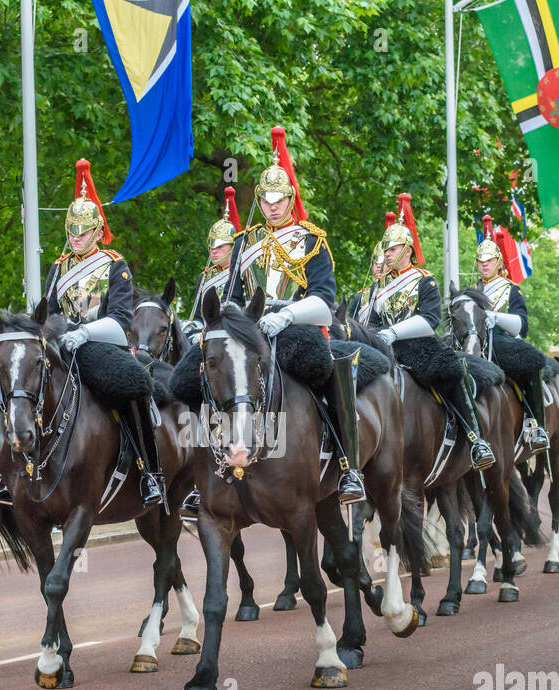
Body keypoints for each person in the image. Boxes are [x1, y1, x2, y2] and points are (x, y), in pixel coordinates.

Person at [0, 159, 164, 509]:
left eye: (83, 231)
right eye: (72, 230)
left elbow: (120, 321)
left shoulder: (115, 265)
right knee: (10, 382)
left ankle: (149, 472)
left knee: (132, 388)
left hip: (100, 346)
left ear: (99, 231)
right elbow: (50, 312)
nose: (76, 237)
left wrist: (83, 333)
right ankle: (9, 467)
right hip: (60, 346)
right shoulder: (58, 268)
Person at [226, 126, 364, 505]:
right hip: (250, 330)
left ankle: (347, 464)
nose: (272, 206)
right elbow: (231, 297)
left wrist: (286, 316)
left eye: (279, 199)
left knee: (329, 370)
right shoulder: (244, 243)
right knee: (205, 369)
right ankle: (200, 468)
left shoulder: (312, 239)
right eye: (266, 200)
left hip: (297, 329)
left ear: (290, 199)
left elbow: (324, 301)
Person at [367, 193, 494, 470]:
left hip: (418, 345)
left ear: (407, 250)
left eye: (392, 249)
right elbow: (373, 324)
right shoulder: (379, 289)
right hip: (383, 346)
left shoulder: (425, 281)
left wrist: (393, 333)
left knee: (452, 368)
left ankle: (476, 439)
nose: (386, 254)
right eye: (385, 249)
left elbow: (429, 320)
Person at [474, 215, 549, 452]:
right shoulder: (473, 290)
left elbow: (522, 325)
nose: (485, 265)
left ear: (498, 262)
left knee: (531, 364)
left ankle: (536, 424)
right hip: (474, 343)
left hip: (503, 343)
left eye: (490, 260)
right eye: (481, 261)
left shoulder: (510, 289)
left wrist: (496, 318)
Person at [181, 187, 241, 345]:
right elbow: (198, 317)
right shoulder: (205, 277)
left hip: (233, 336)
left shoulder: (241, 274)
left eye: (220, 246)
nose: (214, 251)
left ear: (232, 246)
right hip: (205, 338)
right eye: (212, 247)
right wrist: (192, 328)